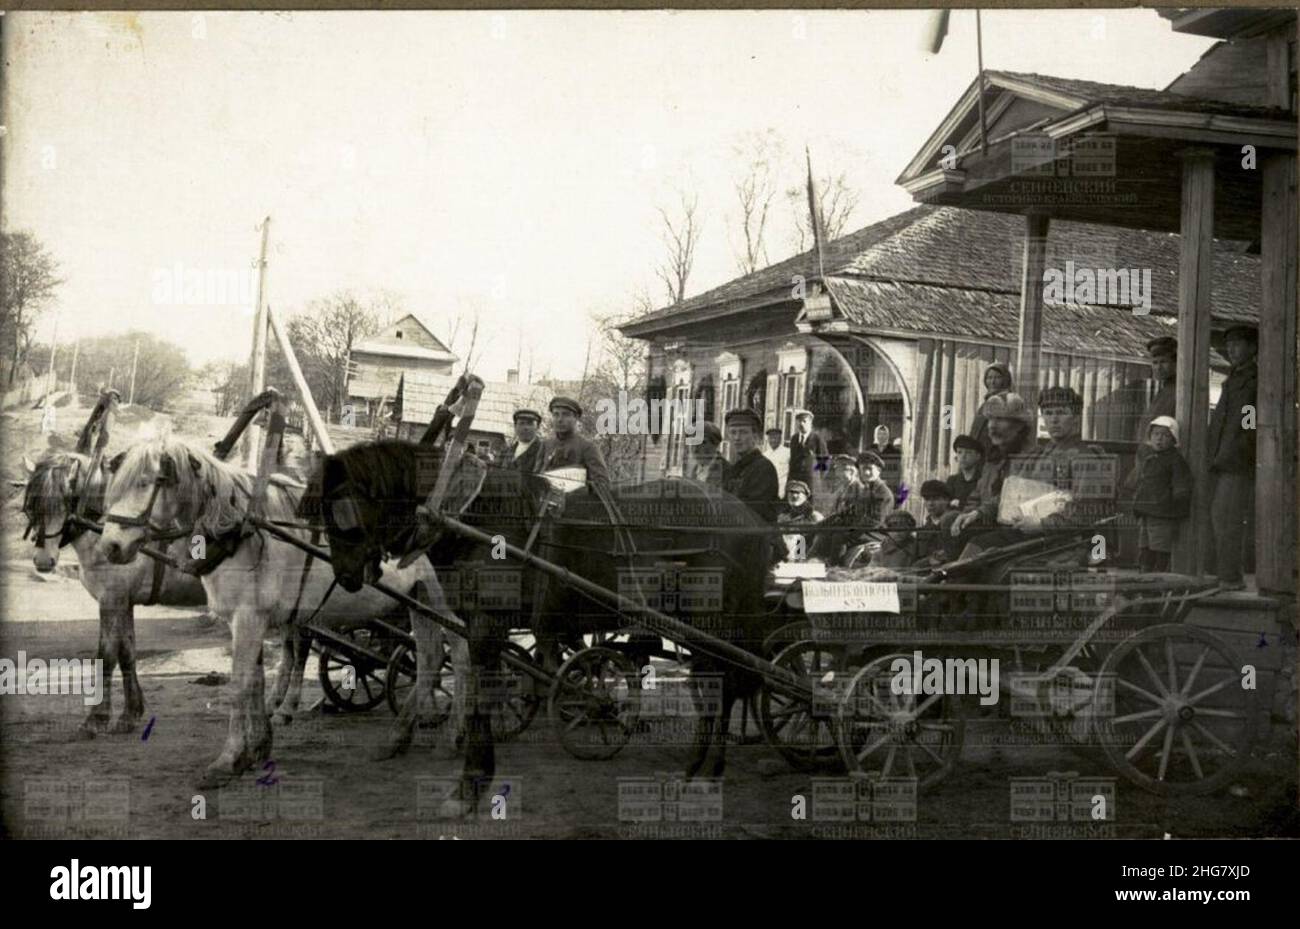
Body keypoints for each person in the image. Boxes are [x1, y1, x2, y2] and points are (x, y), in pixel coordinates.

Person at [944, 391, 1037, 556]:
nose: (992, 426)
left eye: (1000, 419)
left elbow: (1010, 497)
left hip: (1014, 529)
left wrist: (979, 513)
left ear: (1020, 425)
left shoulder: (1033, 459)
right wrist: (965, 514)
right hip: (988, 523)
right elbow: (976, 496)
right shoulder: (992, 462)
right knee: (950, 520)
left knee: (974, 546)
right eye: (990, 419)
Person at [1206, 325, 1258, 590]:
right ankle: (1225, 573)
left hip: (1236, 460)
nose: (1232, 349)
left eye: (1238, 344)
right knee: (1218, 516)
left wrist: (1242, 447)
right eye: (1230, 344)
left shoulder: (1253, 381)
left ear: (1252, 348)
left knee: (1228, 518)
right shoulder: (1232, 379)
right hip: (1220, 458)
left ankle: (1231, 577)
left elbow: (1250, 418)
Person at [1126, 415, 1192, 573]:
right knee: (1145, 543)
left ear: (1173, 439)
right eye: (1155, 434)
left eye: (1164, 435)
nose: (1159, 439)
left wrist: (1178, 497)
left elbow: (1181, 483)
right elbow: (1139, 479)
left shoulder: (1175, 460)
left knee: (1160, 545)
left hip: (1162, 511)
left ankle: (1159, 573)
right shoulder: (1149, 458)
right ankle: (1145, 570)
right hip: (1146, 511)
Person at [720, 408, 781, 524]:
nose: (737, 438)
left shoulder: (763, 468)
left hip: (757, 537)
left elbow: (751, 512)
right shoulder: (734, 468)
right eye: (733, 432)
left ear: (755, 435)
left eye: (743, 432)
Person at [543, 396, 611, 498]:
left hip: (576, 508)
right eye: (556, 415)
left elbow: (603, 485)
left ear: (576, 418)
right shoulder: (545, 445)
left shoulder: (588, 447)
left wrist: (581, 489)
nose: (560, 419)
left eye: (565, 415)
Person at [969, 362, 1014, 455]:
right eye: (989, 378)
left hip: (994, 458)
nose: (992, 382)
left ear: (1005, 380)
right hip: (977, 455)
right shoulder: (986, 403)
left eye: (997, 377)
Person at [777, 480, 823, 562]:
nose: (794, 496)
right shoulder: (783, 517)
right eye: (791, 492)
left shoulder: (815, 516)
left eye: (798, 493)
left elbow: (820, 540)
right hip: (786, 556)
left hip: (807, 556)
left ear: (805, 496)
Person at [787, 410, 828, 490]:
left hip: (811, 481)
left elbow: (824, 462)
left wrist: (817, 480)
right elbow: (792, 460)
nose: (801, 424)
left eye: (804, 421)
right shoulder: (794, 439)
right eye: (799, 421)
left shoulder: (817, 438)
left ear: (810, 423)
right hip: (795, 480)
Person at [945, 435, 984, 509]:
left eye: (968, 452)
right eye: (959, 452)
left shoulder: (983, 480)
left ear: (978, 456)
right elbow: (946, 505)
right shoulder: (952, 481)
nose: (963, 456)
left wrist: (959, 503)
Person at [919, 479, 952, 563]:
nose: (930, 503)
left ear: (947, 500)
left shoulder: (954, 525)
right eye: (927, 499)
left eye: (935, 498)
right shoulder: (923, 531)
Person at [502, 408, 545, 473]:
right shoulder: (507, 451)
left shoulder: (543, 452)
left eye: (530, 424)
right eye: (521, 423)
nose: (526, 428)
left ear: (538, 427)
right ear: (515, 427)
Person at [688, 422, 729, 488]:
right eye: (692, 443)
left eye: (702, 443)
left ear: (715, 445)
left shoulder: (726, 472)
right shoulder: (695, 469)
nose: (695, 449)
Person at [869, 424, 903, 490]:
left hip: (889, 484)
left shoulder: (894, 451)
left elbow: (897, 469)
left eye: (884, 434)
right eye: (879, 434)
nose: (881, 436)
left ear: (887, 435)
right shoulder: (870, 450)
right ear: (875, 435)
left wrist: (889, 481)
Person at [763, 427, 791, 497]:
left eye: (775, 438)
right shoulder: (765, 455)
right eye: (770, 438)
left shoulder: (788, 452)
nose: (772, 440)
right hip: (767, 490)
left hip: (782, 490)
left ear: (780, 439)